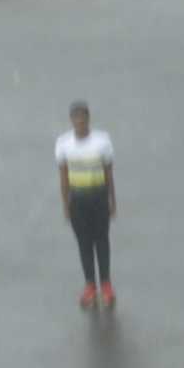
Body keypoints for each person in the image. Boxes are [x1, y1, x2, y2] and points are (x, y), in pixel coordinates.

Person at [50, 100, 121, 306]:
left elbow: (109, 172)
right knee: (84, 243)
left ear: (88, 119)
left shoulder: (102, 141)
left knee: (102, 240)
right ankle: (90, 284)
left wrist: (112, 201)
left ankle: (106, 284)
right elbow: (63, 176)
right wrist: (65, 204)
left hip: (98, 197)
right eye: (76, 118)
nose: (80, 121)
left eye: (83, 117)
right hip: (78, 200)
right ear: (72, 120)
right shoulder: (63, 143)